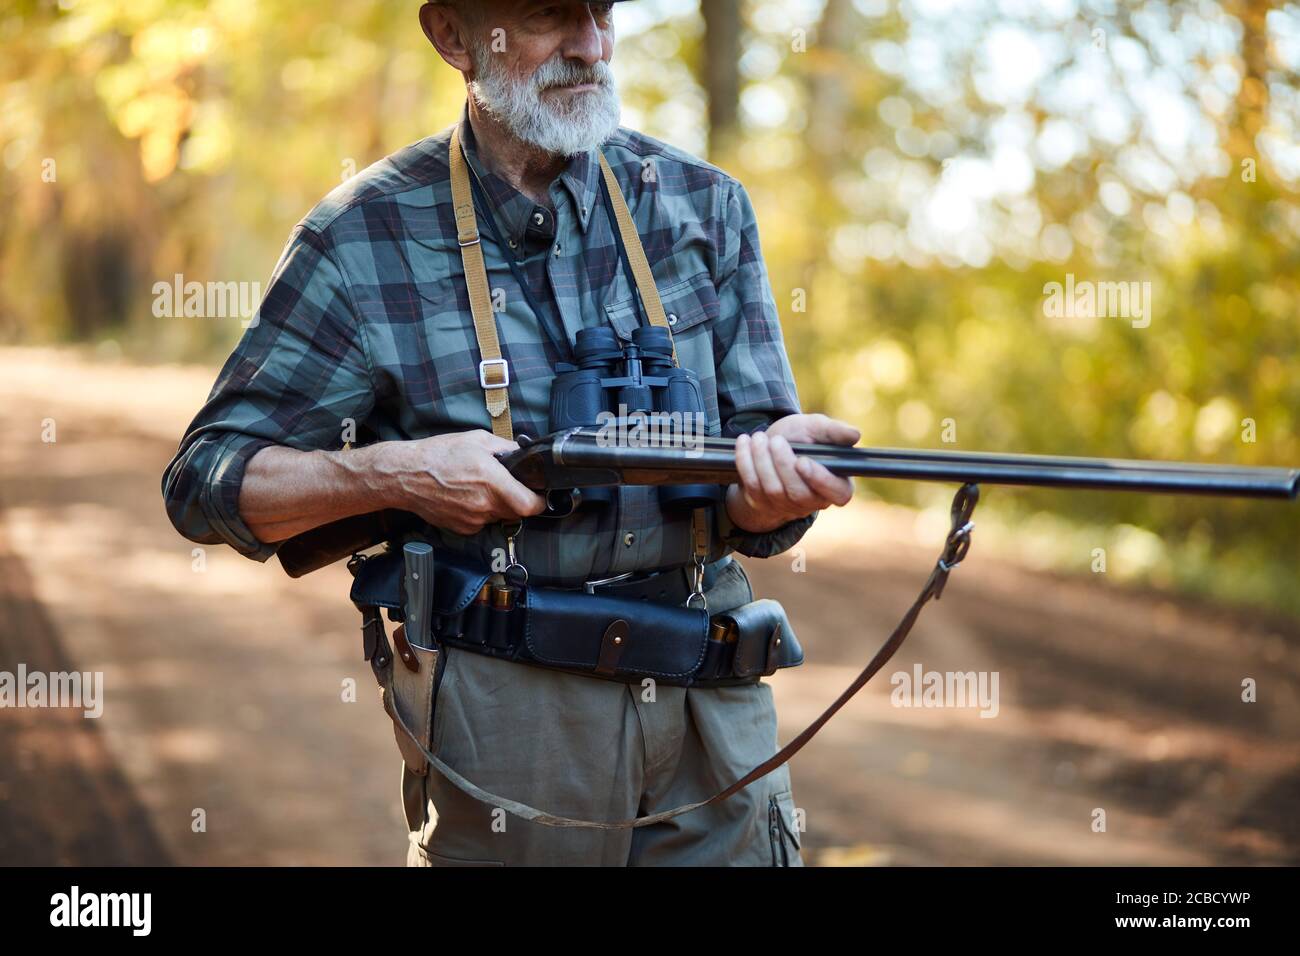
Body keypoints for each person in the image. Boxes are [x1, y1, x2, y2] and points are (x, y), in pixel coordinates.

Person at [162, 0, 860, 866]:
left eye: (602, 13)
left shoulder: (704, 207)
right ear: (452, 36)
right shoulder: (363, 237)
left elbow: (762, 490)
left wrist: (770, 489)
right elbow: (205, 481)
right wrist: (396, 476)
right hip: (506, 731)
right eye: (546, 16)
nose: (590, 45)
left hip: (713, 723)